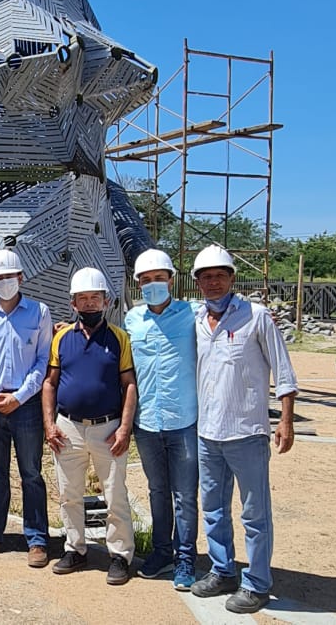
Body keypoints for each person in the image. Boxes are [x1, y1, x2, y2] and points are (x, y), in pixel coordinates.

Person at [190, 244, 298, 615]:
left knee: (255, 513)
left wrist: (285, 419)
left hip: (247, 432)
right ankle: (223, 570)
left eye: (220, 275)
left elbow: (283, 372)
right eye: (206, 277)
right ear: (197, 283)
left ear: (232, 278)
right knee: (214, 509)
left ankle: (257, 582)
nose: (213, 282)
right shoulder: (197, 320)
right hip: (208, 433)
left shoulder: (256, 316)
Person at [42, 266, 137, 586]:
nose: (89, 304)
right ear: (73, 304)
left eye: (94, 298)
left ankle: (120, 555)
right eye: (82, 299)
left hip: (107, 428)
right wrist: (49, 424)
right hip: (68, 427)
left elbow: (129, 385)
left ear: (106, 301)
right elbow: (50, 384)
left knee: (115, 495)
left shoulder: (119, 338)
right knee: (69, 494)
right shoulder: (61, 338)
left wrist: (125, 428)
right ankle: (75, 549)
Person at [0, 249, 51, 568]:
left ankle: (37, 539)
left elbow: (43, 360)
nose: (4, 282)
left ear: (21, 278)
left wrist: (20, 395)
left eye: (9, 277)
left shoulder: (39, 313)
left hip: (25, 404)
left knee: (31, 473)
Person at [126, 248, 200, 590]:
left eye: (159, 279)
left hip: (183, 419)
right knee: (158, 490)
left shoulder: (192, 314)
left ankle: (186, 558)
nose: (152, 285)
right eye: (146, 280)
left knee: (185, 493)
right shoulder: (132, 320)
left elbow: (227, 311)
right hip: (147, 422)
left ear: (171, 280)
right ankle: (161, 551)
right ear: (138, 284)